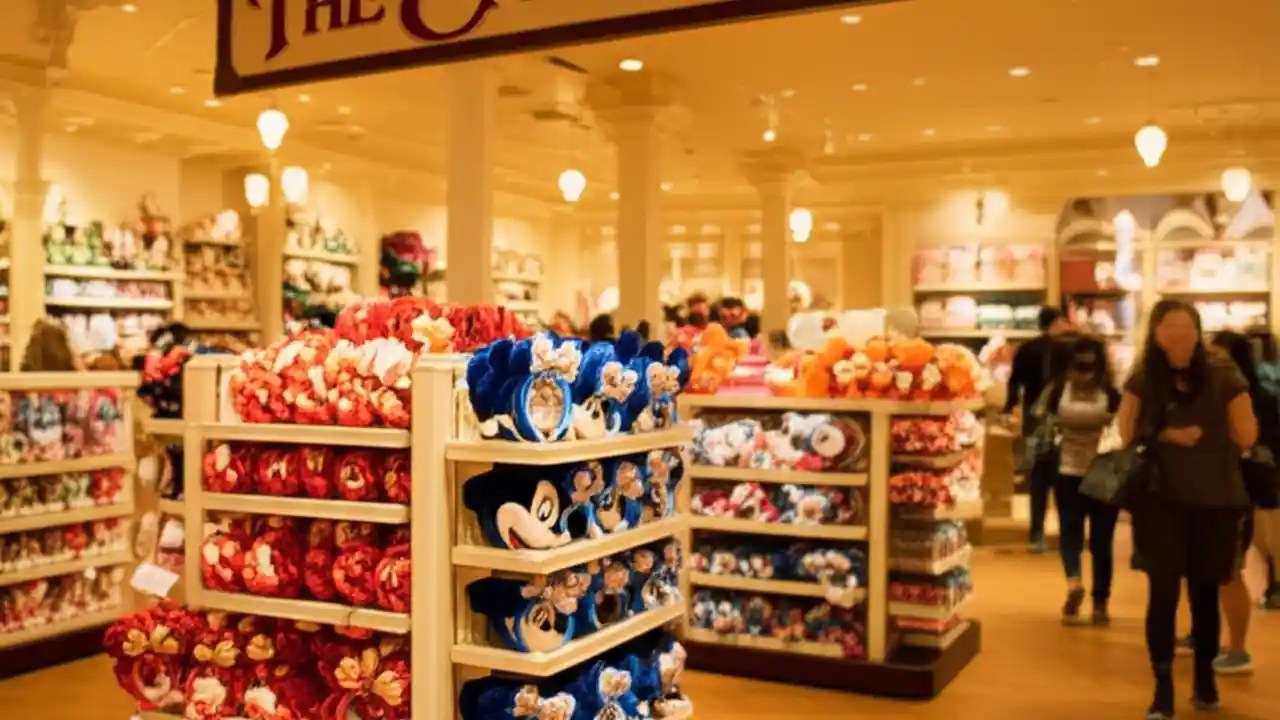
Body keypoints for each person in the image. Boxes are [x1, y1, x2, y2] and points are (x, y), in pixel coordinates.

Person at [1117, 300, 1257, 719]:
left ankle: (1201, 682)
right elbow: (1126, 433)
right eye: (1169, 327)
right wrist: (1168, 434)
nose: (1178, 334)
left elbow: (1248, 433)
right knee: (1166, 593)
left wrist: (1207, 438)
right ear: (1156, 334)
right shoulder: (1143, 379)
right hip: (1161, 500)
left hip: (1215, 499)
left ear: (1198, 331)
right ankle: (1167, 689)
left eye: (1184, 327)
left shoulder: (1224, 374)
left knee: (1202, 592)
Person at [1032, 335, 1121, 625]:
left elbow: (1039, 418)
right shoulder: (1111, 392)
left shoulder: (1059, 389)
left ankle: (1073, 581)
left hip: (1067, 470)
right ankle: (1100, 603)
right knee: (1101, 541)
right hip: (1103, 472)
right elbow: (1126, 427)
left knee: (1070, 533)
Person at [1004, 306, 1072, 551]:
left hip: (1034, 420)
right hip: (1065, 420)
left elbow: (1014, 383)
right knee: (1065, 476)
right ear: (1057, 322)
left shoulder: (1026, 349)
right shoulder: (1069, 349)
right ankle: (1067, 534)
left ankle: (1036, 534)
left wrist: (1008, 407)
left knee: (1038, 479)